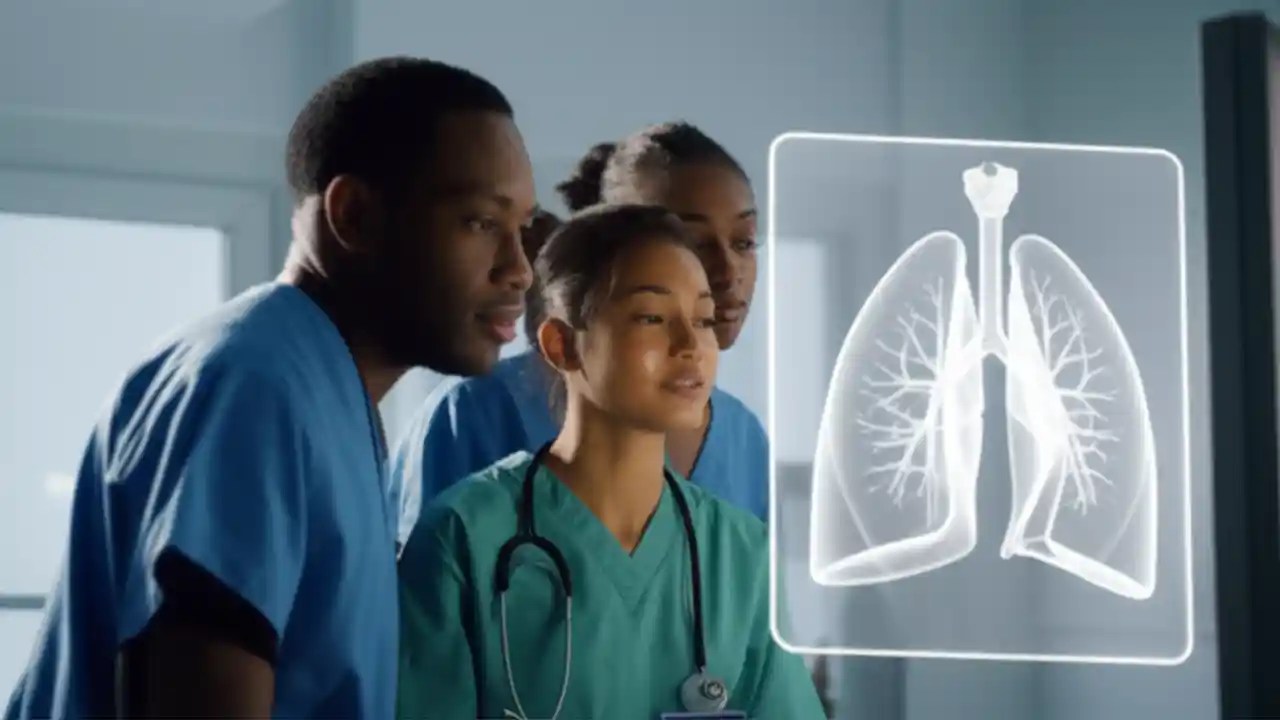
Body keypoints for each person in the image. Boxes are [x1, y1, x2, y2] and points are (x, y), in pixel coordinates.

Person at [4, 56, 536, 719]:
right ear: (355, 214)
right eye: (482, 222)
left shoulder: (325, 391)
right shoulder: (256, 387)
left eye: (524, 230)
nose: (519, 269)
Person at [396, 204, 824, 718]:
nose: (692, 345)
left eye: (704, 319)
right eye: (651, 317)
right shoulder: (463, 538)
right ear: (562, 345)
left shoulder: (740, 557)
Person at [392, 124, 767, 549]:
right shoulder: (474, 414)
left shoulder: (742, 438)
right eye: (689, 242)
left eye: (744, 241)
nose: (727, 270)